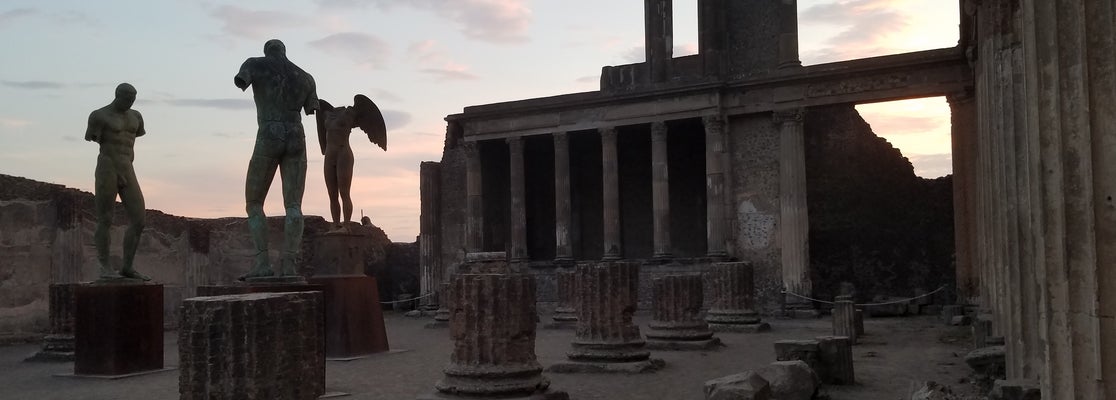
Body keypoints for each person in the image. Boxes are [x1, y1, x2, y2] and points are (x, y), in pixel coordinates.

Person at [234, 39, 318, 279]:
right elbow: (312, 109)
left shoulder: (254, 64)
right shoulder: (305, 77)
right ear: (285, 50)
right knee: (294, 206)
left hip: (269, 133)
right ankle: (289, 265)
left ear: (266, 50)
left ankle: (263, 264)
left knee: (254, 202)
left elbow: (242, 81)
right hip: (296, 135)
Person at [85, 83, 150, 281]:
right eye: (127, 98)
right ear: (117, 96)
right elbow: (92, 137)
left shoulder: (136, 117)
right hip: (107, 167)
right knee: (105, 219)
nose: (130, 102)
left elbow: (135, 136)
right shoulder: (99, 115)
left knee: (139, 220)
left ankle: (127, 267)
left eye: (133, 99)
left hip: (127, 168)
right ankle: (105, 267)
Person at [316, 94, 386, 232]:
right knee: (332, 194)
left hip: (343, 154)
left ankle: (346, 225)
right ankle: (335, 224)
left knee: (344, 192)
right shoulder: (325, 112)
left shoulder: (350, 113)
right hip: (329, 155)